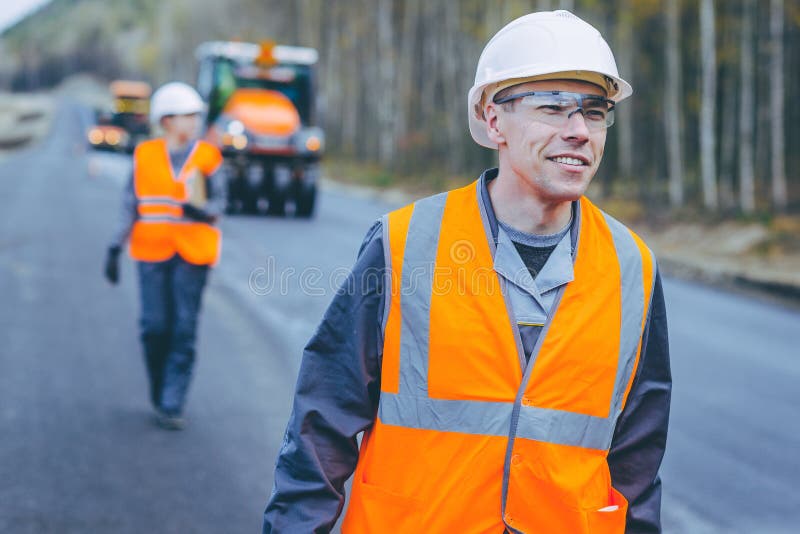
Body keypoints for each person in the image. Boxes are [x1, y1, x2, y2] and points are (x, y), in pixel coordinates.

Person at [263, 10, 670, 534]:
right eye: (553, 107)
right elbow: (323, 417)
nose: (578, 131)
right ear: (493, 119)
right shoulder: (406, 242)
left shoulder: (631, 266)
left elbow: (638, 459)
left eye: (594, 112)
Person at [104, 82, 226, 430]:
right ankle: (160, 389)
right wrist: (115, 246)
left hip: (193, 254)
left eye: (196, 116)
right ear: (167, 120)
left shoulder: (208, 157)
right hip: (152, 252)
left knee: (183, 328)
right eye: (188, 116)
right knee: (154, 327)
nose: (195, 122)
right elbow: (131, 204)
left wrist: (202, 211)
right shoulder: (145, 155)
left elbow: (220, 204)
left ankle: (173, 402)